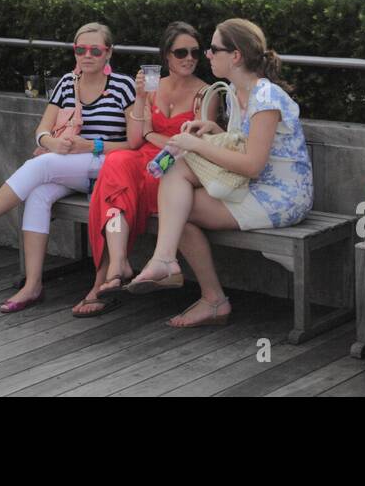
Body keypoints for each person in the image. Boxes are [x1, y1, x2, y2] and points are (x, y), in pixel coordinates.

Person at [125, 18, 314, 328]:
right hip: (250, 185)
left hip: (281, 198)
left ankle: (198, 288)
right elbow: (242, 142)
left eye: (212, 49)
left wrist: (195, 145)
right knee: (175, 200)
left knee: (177, 195)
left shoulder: (265, 98)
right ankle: (175, 269)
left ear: (235, 56)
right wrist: (212, 130)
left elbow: (252, 164)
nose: (207, 56)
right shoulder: (236, 92)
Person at [0, 22, 137, 312]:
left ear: (109, 53)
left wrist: (90, 146)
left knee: (41, 165)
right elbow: (42, 131)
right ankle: (33, 285)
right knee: (39, 194)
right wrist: (53, 143)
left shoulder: (123, 86)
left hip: (111, 167)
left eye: (96, 50)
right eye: (81, 49)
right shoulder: (68, 83)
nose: (88, 55)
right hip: (72, 166)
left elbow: (135, 144)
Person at [71, 22, 212, 318]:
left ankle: (104, 278)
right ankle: (119, 261)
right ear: (166, 56)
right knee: (115, 165)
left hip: (177, 167)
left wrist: (153, 136)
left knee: (113, 193)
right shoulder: (152, 87)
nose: (189, 58)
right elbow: (137, 138)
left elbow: (194, 144)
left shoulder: (206, 94)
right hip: (145, 157)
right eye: (181, 52)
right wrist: (138, 98)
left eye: (195, 53)